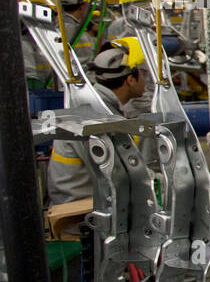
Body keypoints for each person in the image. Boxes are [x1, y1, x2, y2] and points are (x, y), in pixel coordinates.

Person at [46, 45, 147, 205]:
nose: (145, 80)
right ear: (130, 80)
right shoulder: (100, 117)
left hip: (83, 199)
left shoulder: (97, 105)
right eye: (143, 74)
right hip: (79, 210)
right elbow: (119, 175)